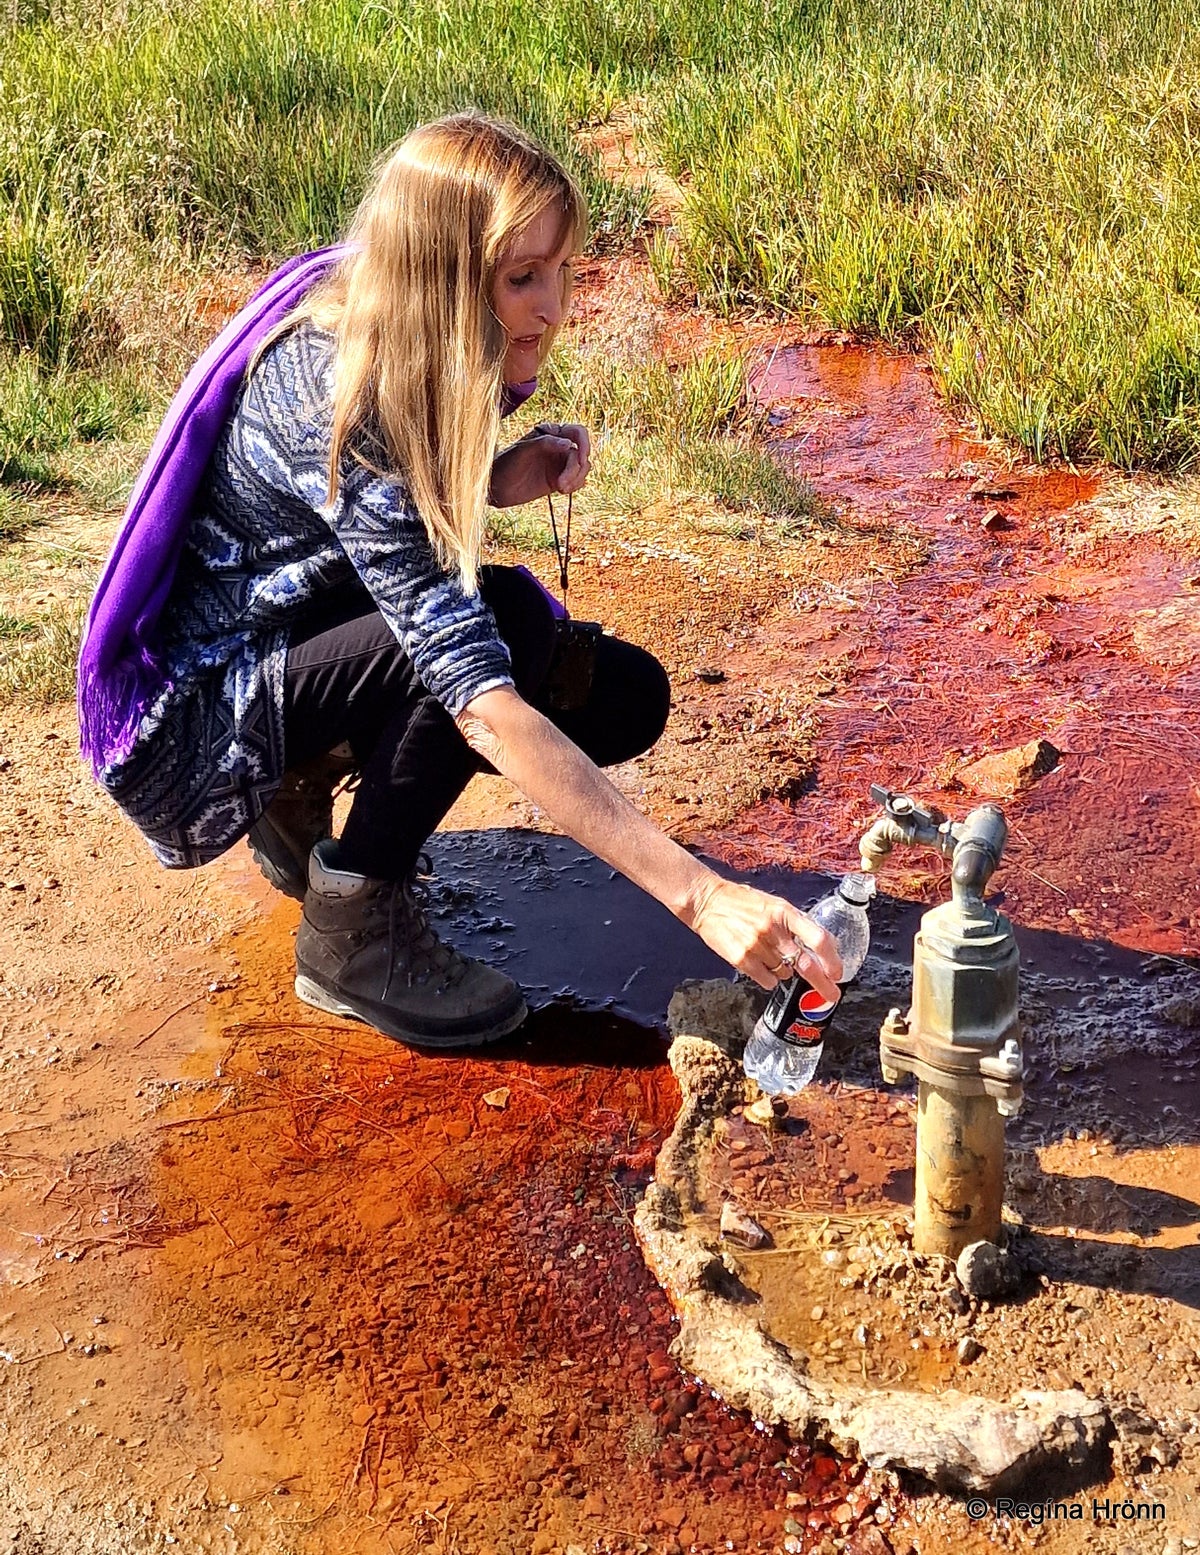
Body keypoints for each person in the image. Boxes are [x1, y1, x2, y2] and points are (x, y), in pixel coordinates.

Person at [81, 112, 842, 1048]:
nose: (554, 307)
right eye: (523, 278)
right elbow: (474, 692)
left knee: (594, 677)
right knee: (490, 646)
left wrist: (494, 476)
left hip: (271, 632)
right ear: (443, 275)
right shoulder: (345, 397)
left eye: (562, 272)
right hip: (193, 713)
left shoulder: (375, 307)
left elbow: (347, 519)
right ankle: (351, 933)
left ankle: (300, 775)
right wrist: (703, 895)